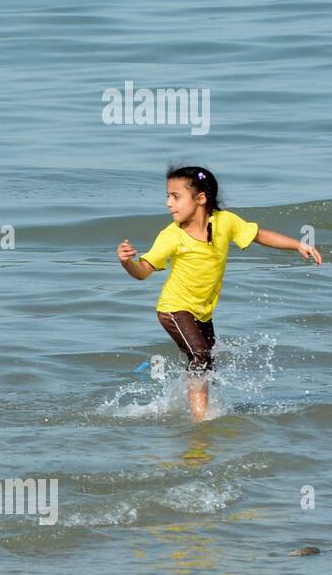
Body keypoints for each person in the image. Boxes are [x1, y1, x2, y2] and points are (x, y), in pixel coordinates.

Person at [117, 166, 321, 421]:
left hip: (202, 311)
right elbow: (143, 271)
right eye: (167, 196)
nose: (169, 203)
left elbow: (259, 235)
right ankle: (200, 420)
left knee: (205, 361)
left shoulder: (225, 222)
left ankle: (184, 406)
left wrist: (297, 245)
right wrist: (127, 263)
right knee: (200, 355)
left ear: (201, 198)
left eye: (175, 196)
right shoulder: (171, 236)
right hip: (173, 308)